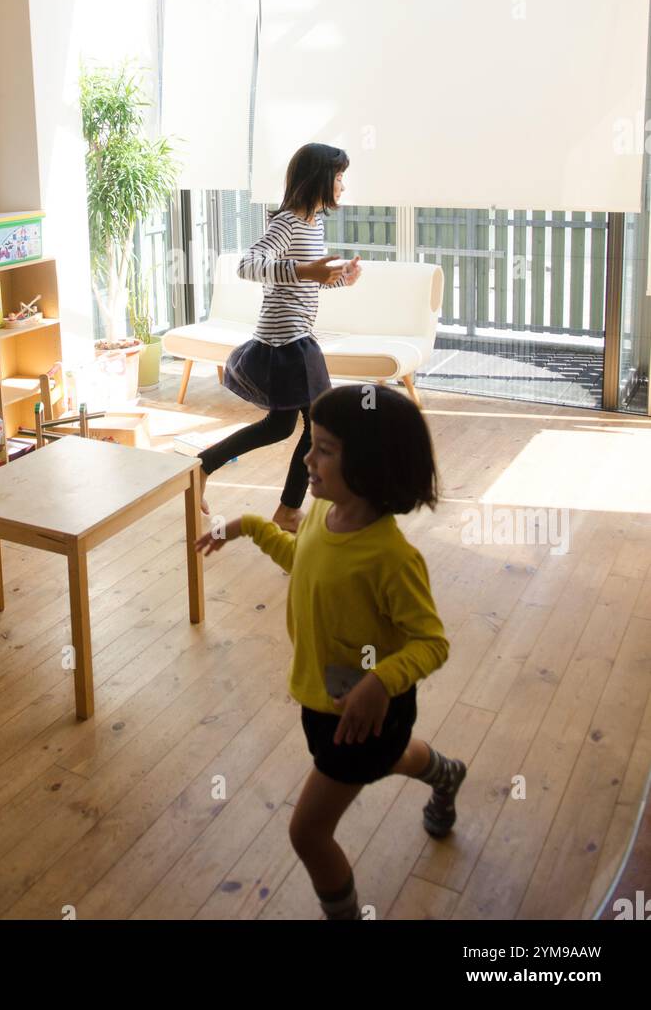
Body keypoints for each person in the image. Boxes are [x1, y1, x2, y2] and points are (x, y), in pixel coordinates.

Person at [195, 382, 465, 922]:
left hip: (363, 714)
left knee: (309, 832)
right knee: (386, 759)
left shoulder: (391, 558)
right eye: (309, 444)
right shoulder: (324, 513)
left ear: (368, 465)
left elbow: (432, 643)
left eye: (323, 449)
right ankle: (445, 774)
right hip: (328, 701)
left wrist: (381, 682)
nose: (306, 459)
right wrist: (249, 526)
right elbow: (306, 564)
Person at [198, 142, 362, 534]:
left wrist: (338, 278)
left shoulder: (315, 222)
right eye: (338, 177)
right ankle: (288, 510)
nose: (342, 186)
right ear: (319, 179)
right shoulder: (287, 222)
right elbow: (249, 266)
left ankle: (201, 467)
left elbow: (305, 283)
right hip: (286, 341)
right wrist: (308, 271)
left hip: (297, 336)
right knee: (321, 426)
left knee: (280, 427)